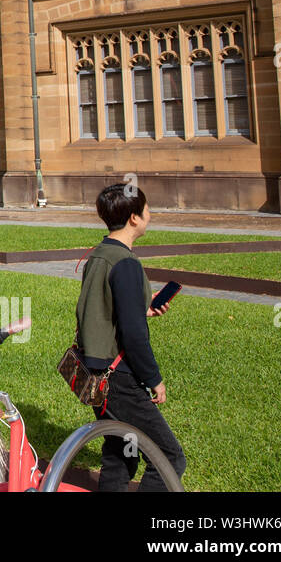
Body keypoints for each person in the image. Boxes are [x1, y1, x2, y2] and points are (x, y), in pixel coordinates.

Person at [75, 183, 186, 491]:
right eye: (147, 208)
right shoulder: (125, 263)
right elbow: (134, 336)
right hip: (118, 378)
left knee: (121, 454)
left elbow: (104, 307)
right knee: (169, 457)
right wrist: (153, 378)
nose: (151, 214)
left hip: (95, 373)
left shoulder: (100, 254)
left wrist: (142, 309)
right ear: (134, 218)